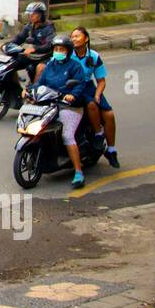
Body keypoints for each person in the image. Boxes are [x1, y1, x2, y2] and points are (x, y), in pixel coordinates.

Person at [32, 35, 89, 188]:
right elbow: (40, 83)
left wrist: (72, 95)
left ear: (68, 51)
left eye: (61, 49)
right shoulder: (50, 65)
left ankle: (78, 172)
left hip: (69, 106)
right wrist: (29, 91)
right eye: (56, 49)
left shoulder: (74, 66)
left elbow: (80, 85)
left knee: (67, 135)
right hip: (50, 104)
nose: (58, 52)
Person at [71, 26, 119, 167]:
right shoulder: (68, 55)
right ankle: (98, 132)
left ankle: (111, 150)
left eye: (77, 36)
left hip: (88, 86)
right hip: (72, 87)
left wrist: (97, 94)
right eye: (72, 37)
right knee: (91, 105)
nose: (74, 39)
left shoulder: (94, 56)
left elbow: (101, 81)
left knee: (109, 114)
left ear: (86, 39)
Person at [8, 1, 56, 81]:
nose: (30, 16)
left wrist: (35, 48)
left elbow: (49, 45)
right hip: (33, 56)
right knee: (11, 63)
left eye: (33, 14)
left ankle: (35, 88)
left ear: (41, 15)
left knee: (39, 68)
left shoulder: (49, 28)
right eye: (29, 14)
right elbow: (19, 38)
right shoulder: (29, 26)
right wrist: (7, 45)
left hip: (46, 56)